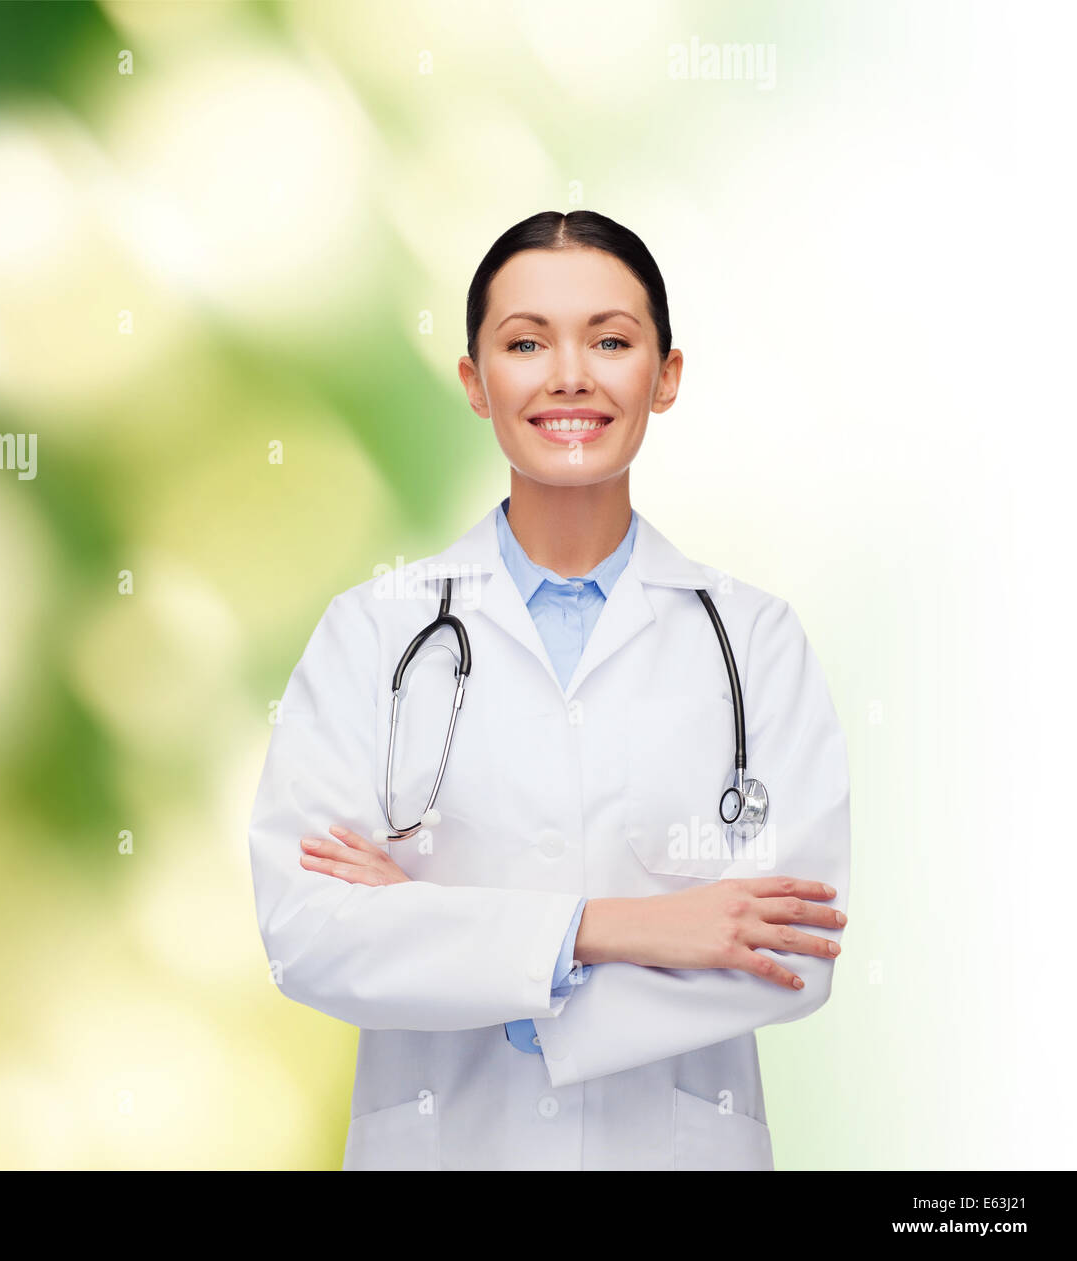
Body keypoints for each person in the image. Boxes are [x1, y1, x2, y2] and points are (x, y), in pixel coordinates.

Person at [248, 209, 850, 1171]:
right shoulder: (372, 632)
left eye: (611, 341)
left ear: (666, 376)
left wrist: (446, 935)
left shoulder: (757, 641)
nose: (570, 375)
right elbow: (310, 933)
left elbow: (793, 952)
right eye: (526, 342)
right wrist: (617, 928)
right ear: (475, 384)